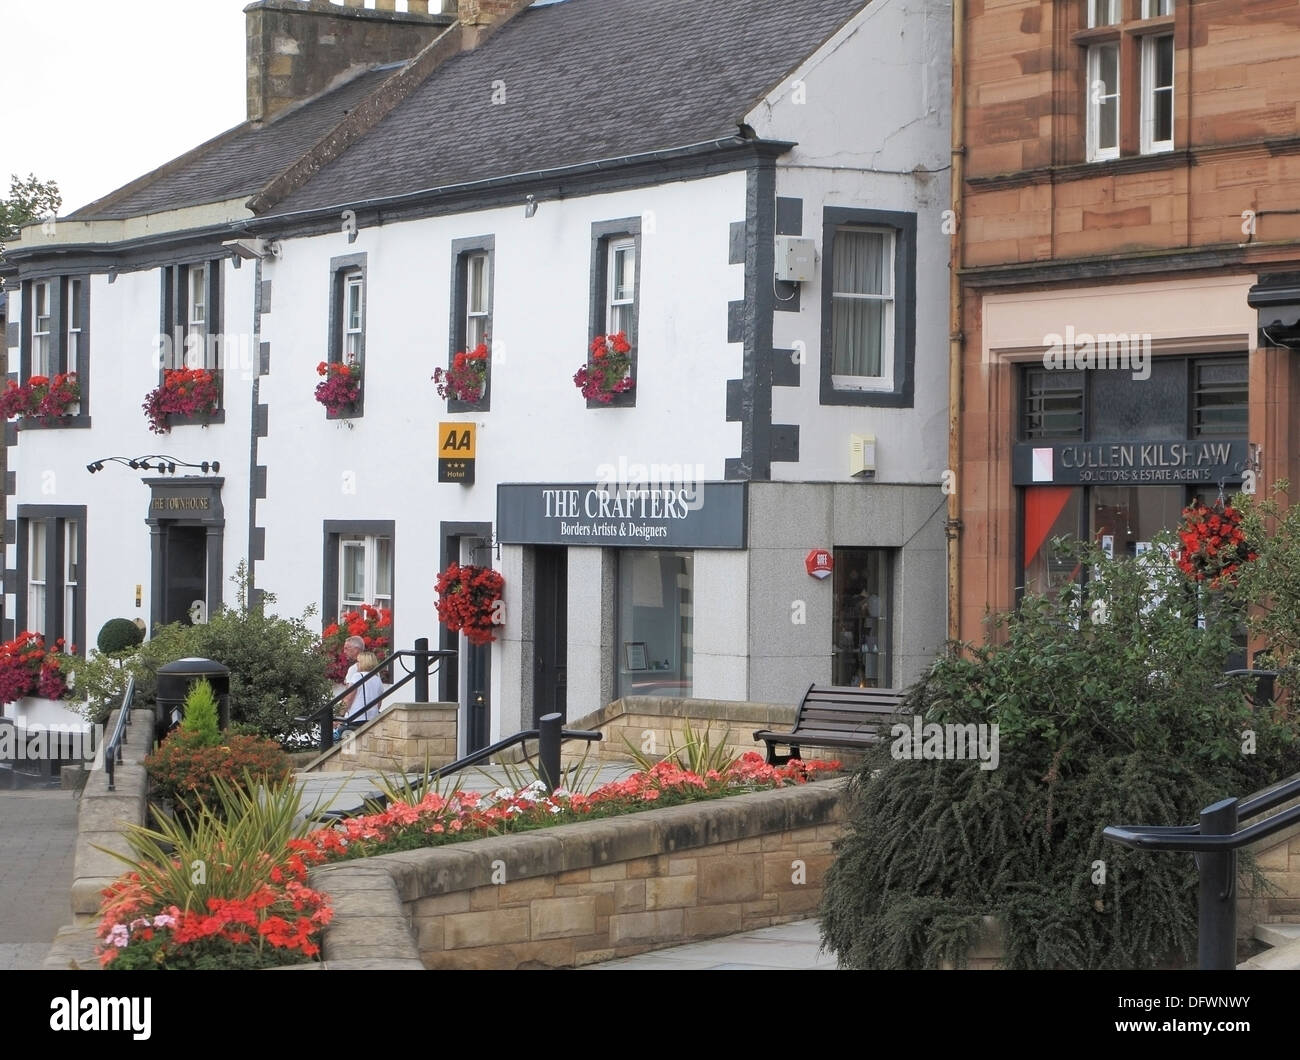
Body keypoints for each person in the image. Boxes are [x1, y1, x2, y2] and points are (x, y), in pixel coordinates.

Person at [351, 651, 386, 725]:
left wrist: (340, 714)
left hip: (357, 717)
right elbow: (379, 703)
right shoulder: (377, 679)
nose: (356, 664)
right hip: (373, 717)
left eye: (358, 662)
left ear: (364, 663)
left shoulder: (357, 676)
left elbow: (349, 697)